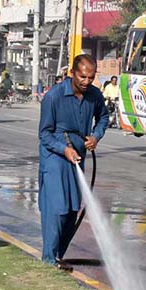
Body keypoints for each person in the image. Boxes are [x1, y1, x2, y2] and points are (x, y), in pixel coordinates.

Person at [38, 54, 109, 268]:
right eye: (82, 77)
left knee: (71, 210)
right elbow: (44, 134)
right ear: (72, 74)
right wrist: (63, 149)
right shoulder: (55, 96)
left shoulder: (95, 95)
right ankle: (48, 259)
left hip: (77, 157)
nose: (86, 81)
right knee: (57, 208)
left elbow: (104, 117)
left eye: (91, 77)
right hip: (55, 157)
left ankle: (58, 255)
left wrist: (95, 136)